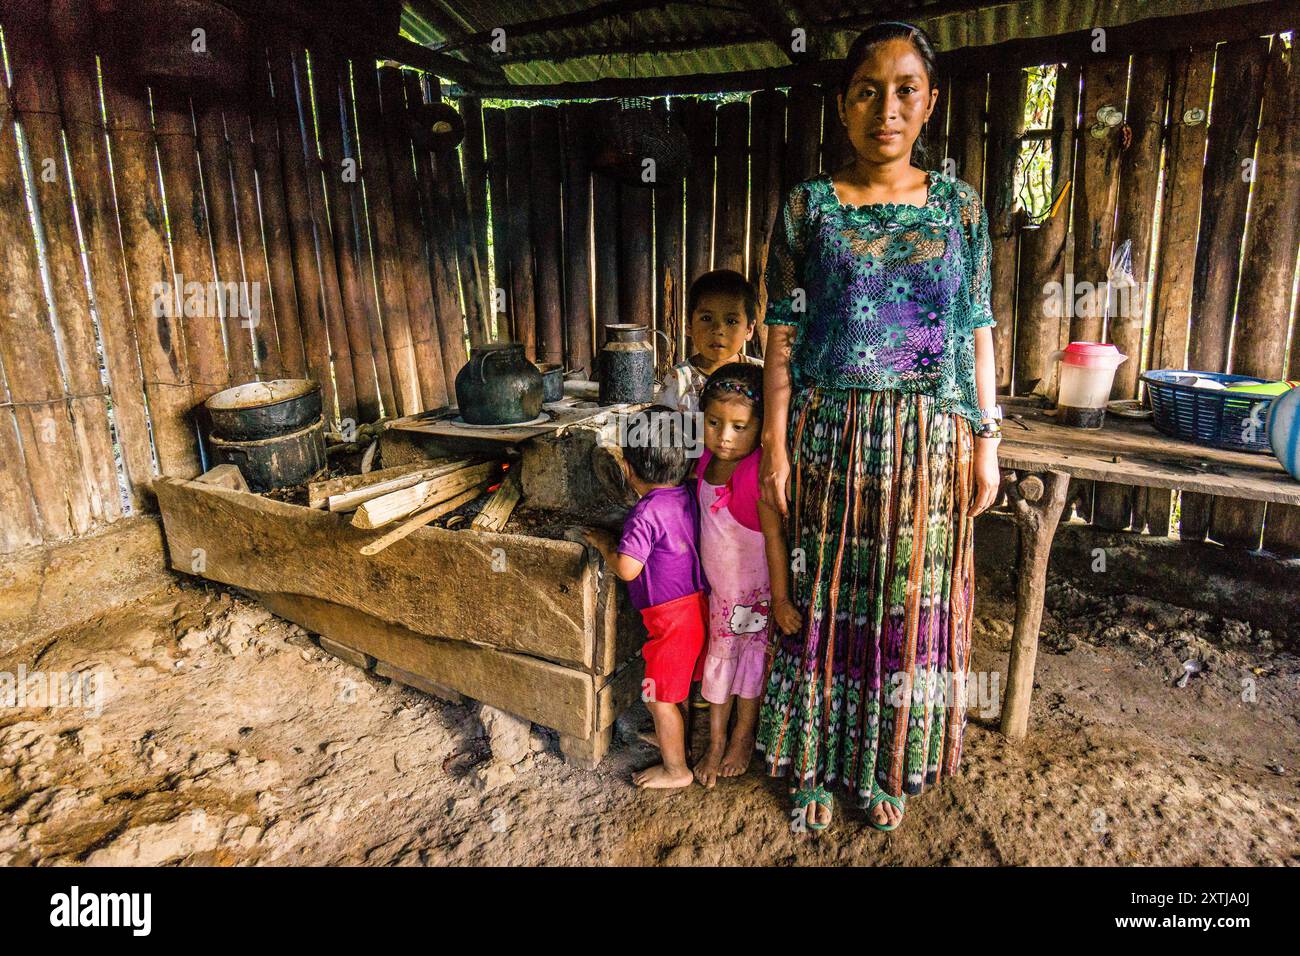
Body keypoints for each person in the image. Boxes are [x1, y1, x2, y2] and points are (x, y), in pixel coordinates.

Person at [756, 21, 1002, 832]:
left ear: (930, 104)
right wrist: (774, 442)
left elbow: (976, 325)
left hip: (928, 442)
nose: (885, 109)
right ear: (842, 103)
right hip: (832, 433)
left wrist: (988, 438)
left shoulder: (960, 208)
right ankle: (818, 769)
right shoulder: (808, 208)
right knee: (826, 601)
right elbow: (783, 330)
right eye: (868, 90)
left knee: (908, 602)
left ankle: (889, 762)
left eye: (904, 90)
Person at [582, 406, 708, 789]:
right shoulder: (687, 494)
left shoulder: (644, 513)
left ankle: (676, 770)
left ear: (628, 469)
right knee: (677, 688)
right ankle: (676, 740)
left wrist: (606, 545)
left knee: (658, 698)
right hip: (696, 607)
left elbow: (628, 569)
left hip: (670, 624)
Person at [691, 363, 801, 788]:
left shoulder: (755, 474)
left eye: (739, 426)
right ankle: (715, 741)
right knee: (720, 662)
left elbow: (775, 540)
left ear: (761, 429)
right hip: (720, 596)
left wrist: (780, 599)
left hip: (752, 597)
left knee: (749, 665)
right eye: (715, 423)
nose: (725, 436)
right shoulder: (705, 462)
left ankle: (740, 736)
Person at [658, 269, 764, 414]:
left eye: (731, 321)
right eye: (706, 318)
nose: (718, 329)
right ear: (689, 325)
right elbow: (660, 428)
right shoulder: (679, 379)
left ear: (749, 329)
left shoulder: (761, 374)